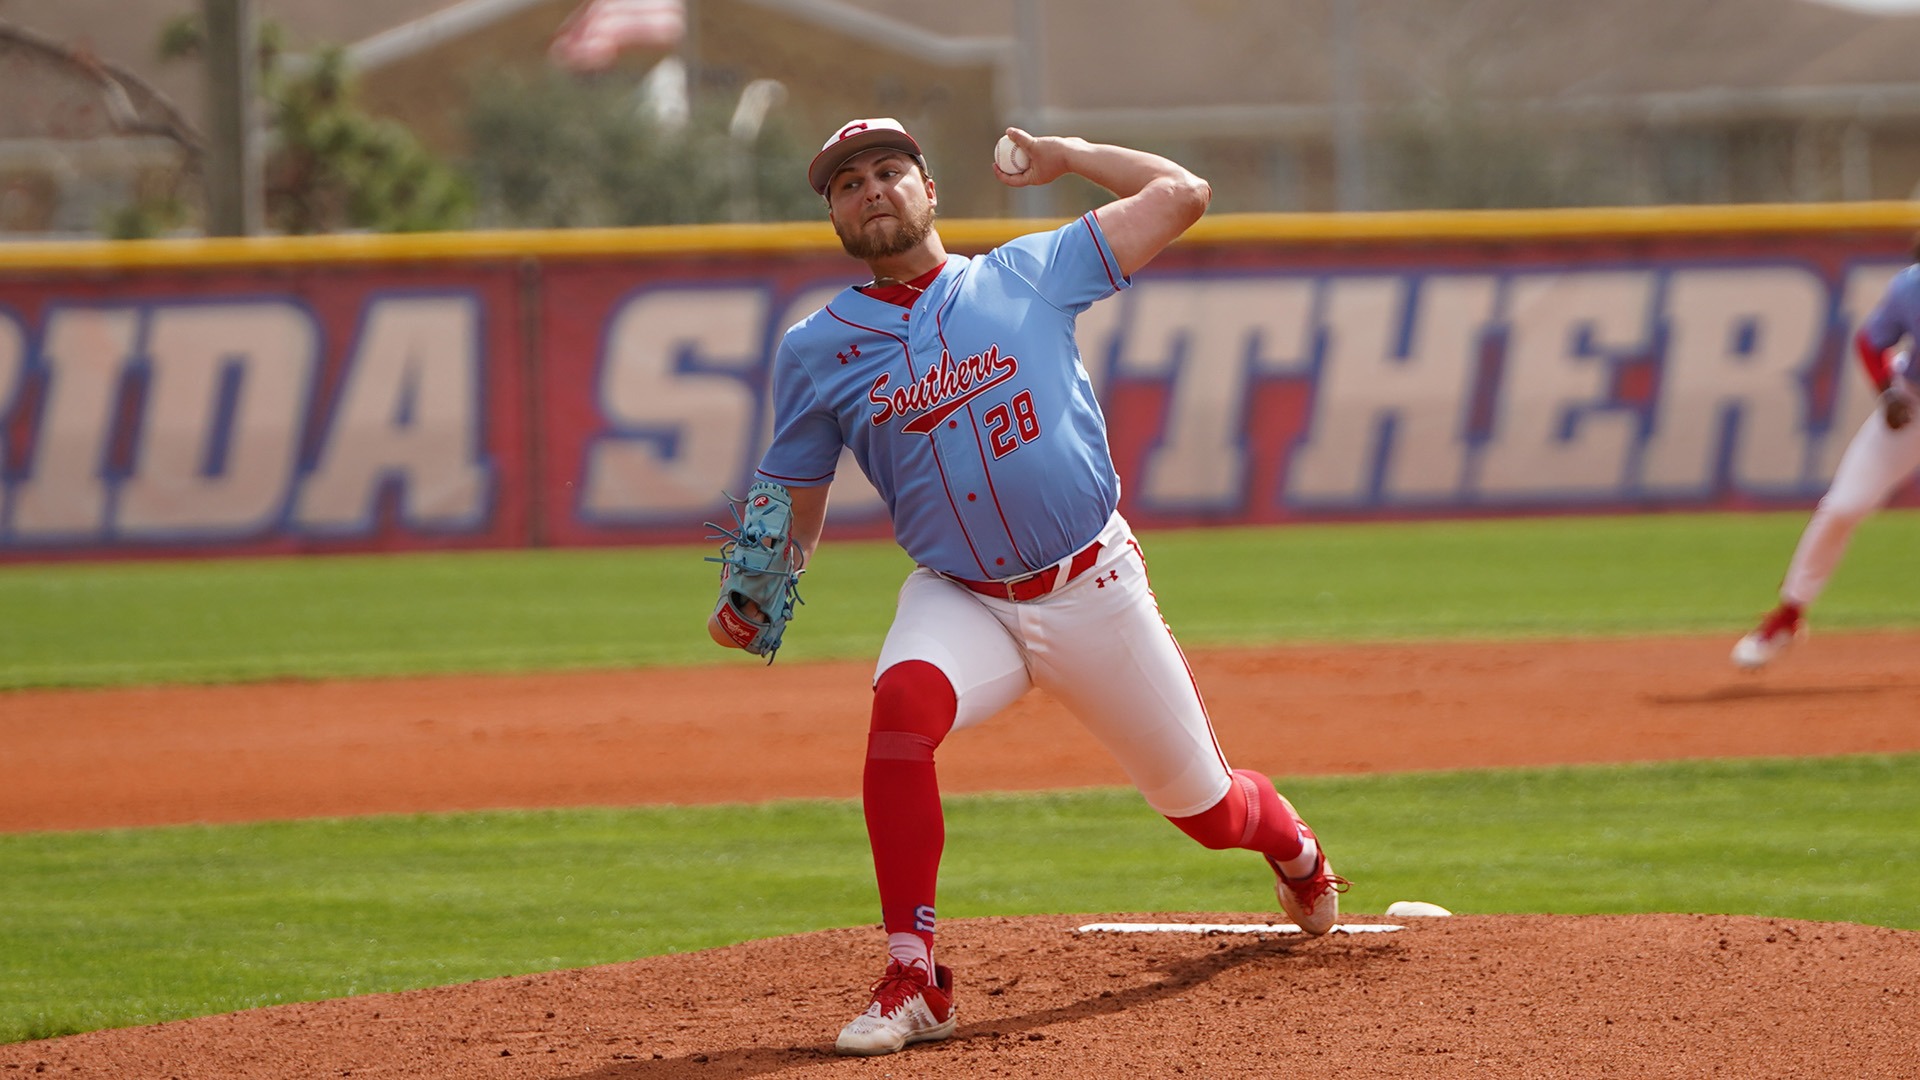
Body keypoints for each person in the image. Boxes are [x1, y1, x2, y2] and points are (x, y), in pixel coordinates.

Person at [707, 117, 1348, 1057]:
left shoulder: (1024, 273)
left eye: (890, 170)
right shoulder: (817, 349)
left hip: (1093, 587)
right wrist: (762, 584)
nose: (872, 190)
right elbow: (798, 494)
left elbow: (1183, 194)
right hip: (960, 594)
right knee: (901, 710)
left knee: (1207, 811)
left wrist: (1066, 155)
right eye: (847, 184)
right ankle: (915, 974)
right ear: (835, 217)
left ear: (929, 187)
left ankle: (1292, 847)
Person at [1732, 236, 1920, 669]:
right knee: (1842, 508)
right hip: (1912, 402)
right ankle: (1788, 616)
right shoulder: (1909, 288)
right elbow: (1871, 342)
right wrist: (1886, 392)